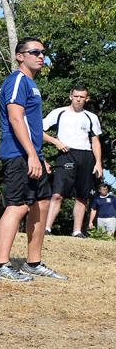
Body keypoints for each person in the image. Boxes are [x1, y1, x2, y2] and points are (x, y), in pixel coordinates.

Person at [0, 37, 65, 282]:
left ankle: (33, 263)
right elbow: (15, 118)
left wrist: (41, 156)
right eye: (35, 52)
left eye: (43, 52)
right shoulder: (17, 81)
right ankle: (0, 266)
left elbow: (32, 127)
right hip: (18, 155)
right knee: (18, 205)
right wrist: (31, 154)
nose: (41, 56)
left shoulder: (32, 84)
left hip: (34, 156)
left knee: (41, 204)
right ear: (20, 56)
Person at [43, 86, 103, 238]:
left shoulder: (91, 117)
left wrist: (98, 163)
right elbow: (38, 130)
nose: (78, 99)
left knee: (82, 196)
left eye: (81, 97)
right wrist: (55, 141)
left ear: (86, 99)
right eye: (75, 96)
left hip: (86, 156)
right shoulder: (59, 112)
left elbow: (95, 141)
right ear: (71, 96)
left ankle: (76, 231)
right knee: (57, 194)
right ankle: (47, 228)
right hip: (66, 154)